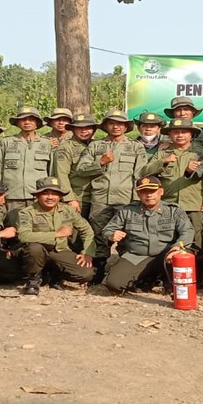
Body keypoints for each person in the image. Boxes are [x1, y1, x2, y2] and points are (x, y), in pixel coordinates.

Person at [75, 110, 149, 281]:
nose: (116, 126)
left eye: (120, 124)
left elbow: (140, 175)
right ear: (106, 126)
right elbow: (81, 169)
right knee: (99, 235)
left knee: (127, 236)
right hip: (100, 199)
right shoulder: (95, 146)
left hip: (126, 200)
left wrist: (137, 200)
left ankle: (127, 274)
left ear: (126, 127)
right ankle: (98, 273)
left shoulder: (135, 146)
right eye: (112, 123)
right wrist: (100, 162)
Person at [101, 176, 194, 294]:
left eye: (152, 191)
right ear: (138, 194)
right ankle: (147, 279)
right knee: (114, 283)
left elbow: (187, 231)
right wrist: (112, 234)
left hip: (166, 255)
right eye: (144, 192)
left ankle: (165, 280)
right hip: (136, 255)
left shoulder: (174, 211)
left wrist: (177, 248)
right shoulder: (127, 211)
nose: (149, 195)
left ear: (161, 192)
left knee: (183, 255)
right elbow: (107, 230)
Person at [16, 177, 95, 295]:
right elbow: (24, 236)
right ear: (37, 196)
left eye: (54, 194)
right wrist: (57, 234)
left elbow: (87, 230)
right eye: (45, 193)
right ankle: (33, 281)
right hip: (38, 252)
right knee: (34, 248)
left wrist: (87, 252)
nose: (50, 197)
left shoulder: (68, 210)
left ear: (60, 196)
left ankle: (54, 275)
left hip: (60, 250)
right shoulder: (27, 212)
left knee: (86, 273)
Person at [143, 119, 203, 252]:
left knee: (197, 239)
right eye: (176, 132)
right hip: (168, 204)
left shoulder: (202, 153)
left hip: (194, 203)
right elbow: (145, 172)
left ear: (191, 135)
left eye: (184, 132)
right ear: (170, 135)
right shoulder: (162, 153)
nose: (180, 135)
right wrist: (163, 162)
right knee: (168, 236)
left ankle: (198, 271)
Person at [0, 106, 55, 211]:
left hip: (38, 195)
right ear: (18, 123)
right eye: (23, 119)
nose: (27, 122)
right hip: (12, 196)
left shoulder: (47, 143)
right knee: (13, 225)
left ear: (37, 123)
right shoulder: (7, 142)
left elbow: (52, 171)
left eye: (31, 119)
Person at [53, 113, 98, 216]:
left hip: (96, 198)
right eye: (79, 128)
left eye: (88, 128)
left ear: (94, 129)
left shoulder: (97, 145)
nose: (84, 131)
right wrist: (70, 199)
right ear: (73, 129)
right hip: (77, 198)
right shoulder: (65, 147)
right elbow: (61, 175)